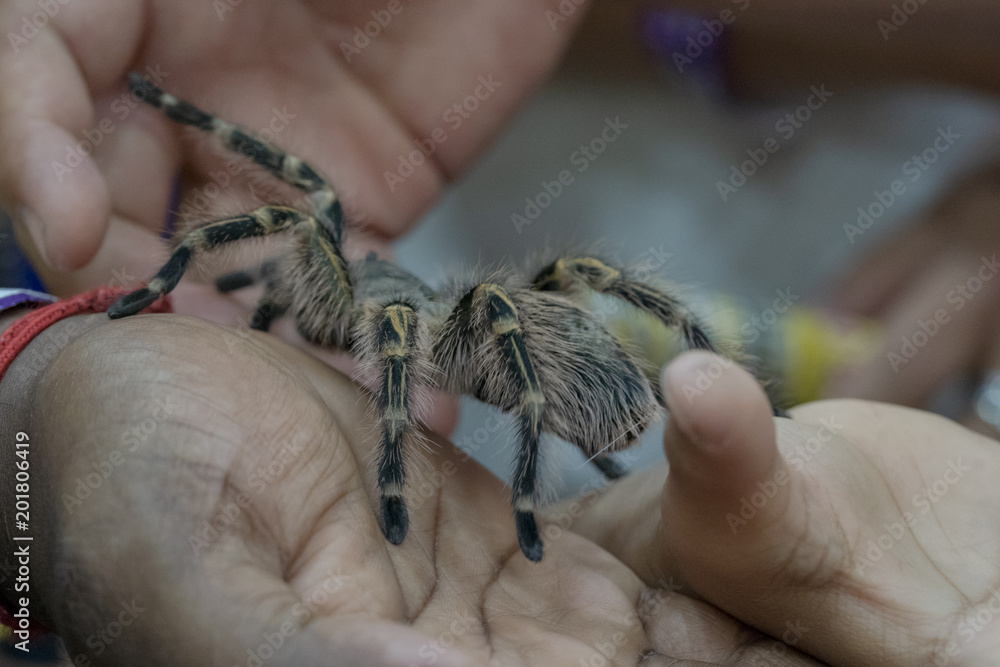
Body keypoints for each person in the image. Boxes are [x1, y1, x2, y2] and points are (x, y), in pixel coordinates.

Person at [1, 0, 998, 664]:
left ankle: (559, 468)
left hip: (602, 347)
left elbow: (394, 316)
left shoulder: (409, 311)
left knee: (527, 289)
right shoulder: (358, 239)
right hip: (569, 213)